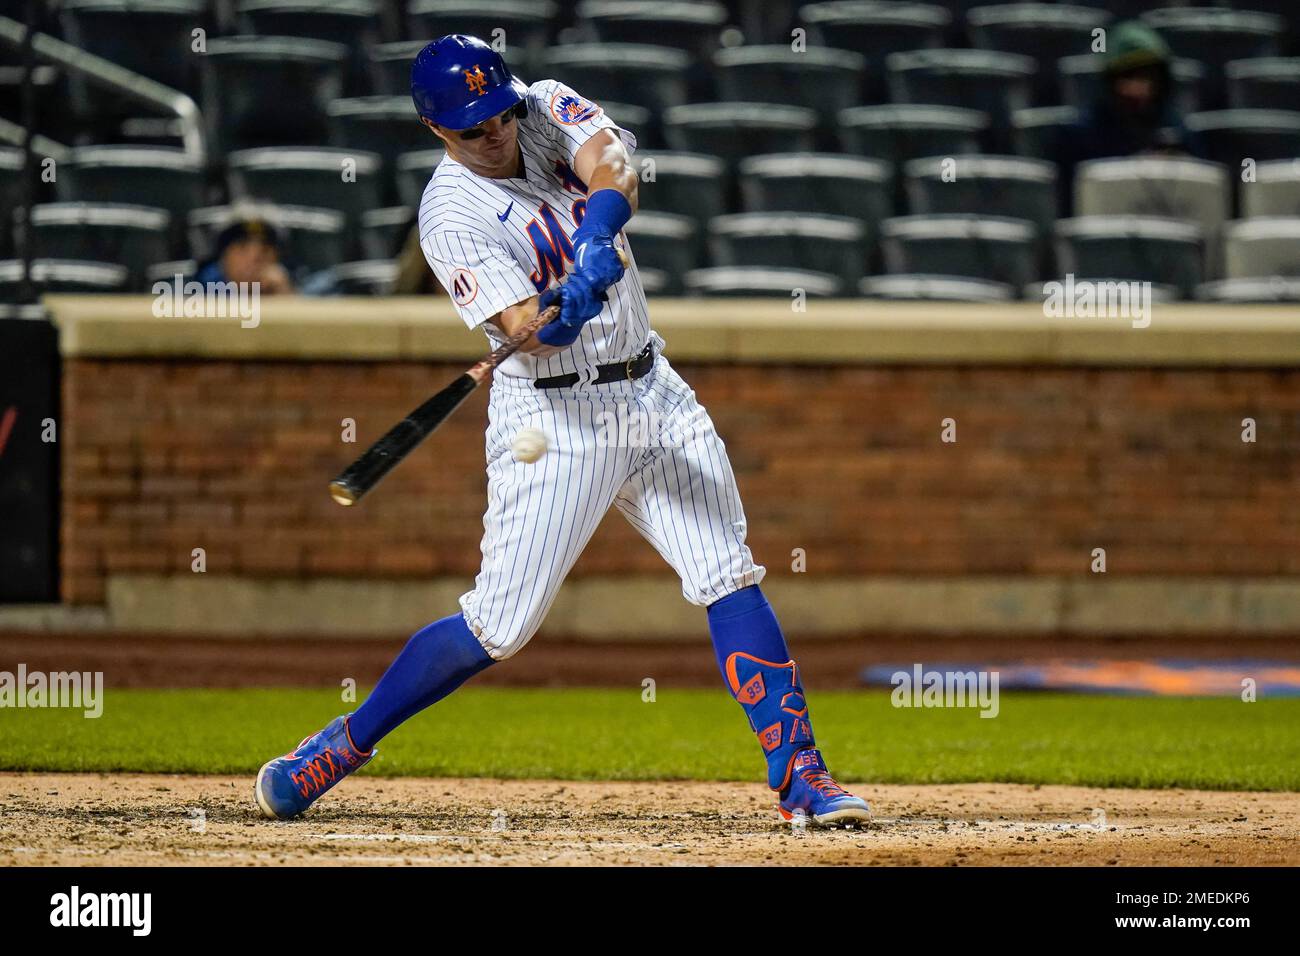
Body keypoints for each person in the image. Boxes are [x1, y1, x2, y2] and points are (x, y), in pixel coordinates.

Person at [253, 34, 870, 828]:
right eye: (474, 127)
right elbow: (522, 326)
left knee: (728, 573)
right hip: (553, 416)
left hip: (652, 389)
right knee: (497, 628)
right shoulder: (449, 215)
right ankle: (341, 744)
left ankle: (802, 781)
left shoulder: (541, 105)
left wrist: (592, 240)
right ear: (436, 129)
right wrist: (562, 310)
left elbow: (616, 165)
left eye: (499, 114)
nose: (496, 133)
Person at [1055, 20, 1207, 212]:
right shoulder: (1077, 136)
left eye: (1147, 77)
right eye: (1128, 77)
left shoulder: (1178, 132)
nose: (1137, 87)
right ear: (1110, 81)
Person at [191, 215, 294, 293]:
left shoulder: (290, 285)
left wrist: (284, 296)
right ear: (223, 256)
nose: (254, 257)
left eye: (265, 250)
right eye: (242, 247)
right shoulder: (198, 289)